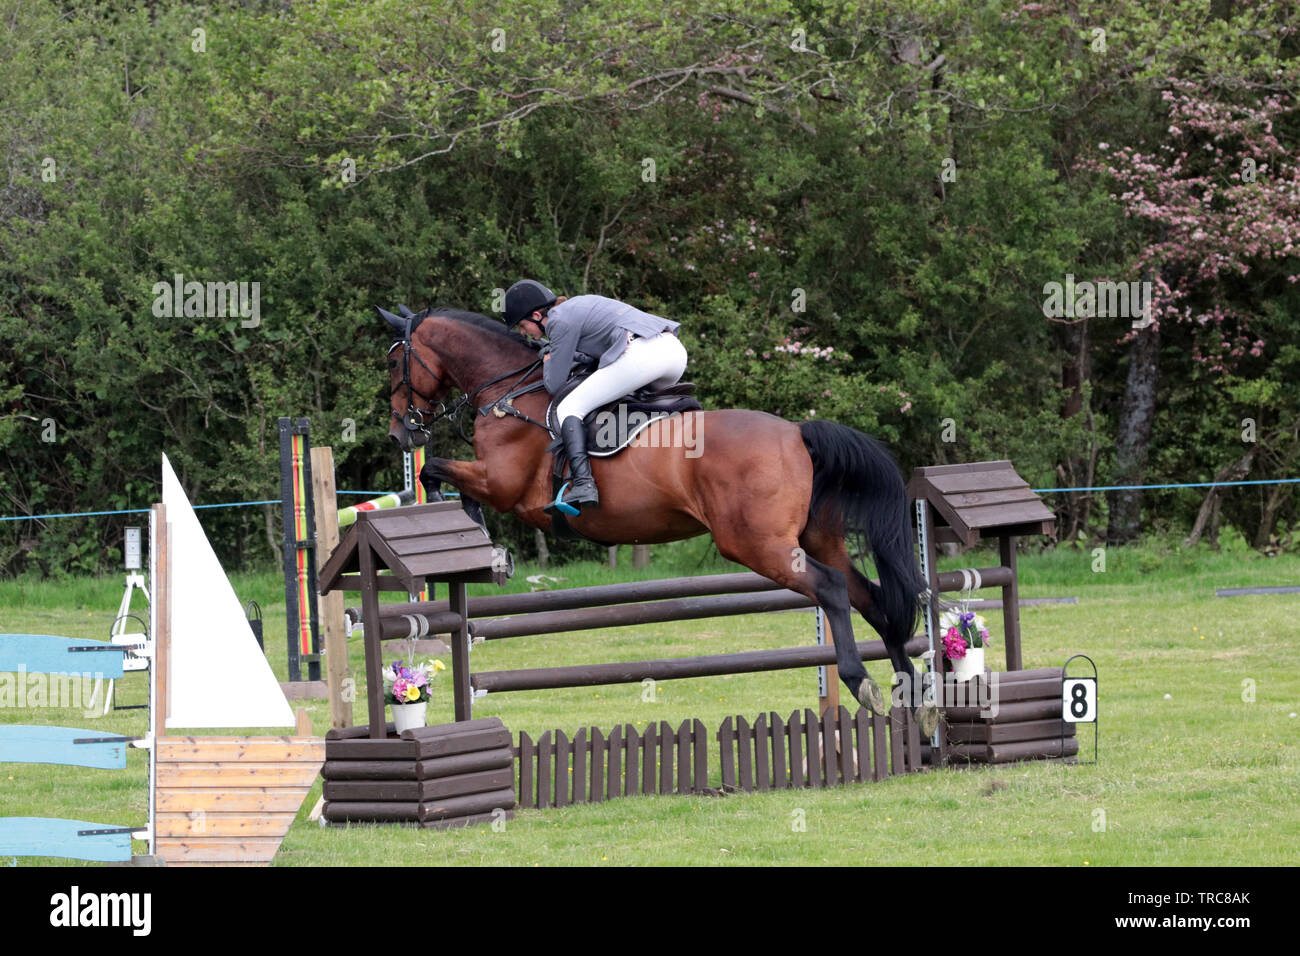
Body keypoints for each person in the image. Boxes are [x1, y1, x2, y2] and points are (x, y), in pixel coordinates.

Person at [503, 279, 688, 514]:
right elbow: (590, 355)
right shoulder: (577, 306)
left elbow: (555, 384)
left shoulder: (558, 320)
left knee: (569, 407)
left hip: (645, 354)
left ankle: (583, 484)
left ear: (537, 315)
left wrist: (548, 360)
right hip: (673, 353)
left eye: (522, 325)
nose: (523, 333)